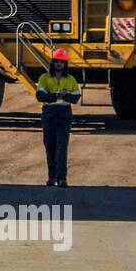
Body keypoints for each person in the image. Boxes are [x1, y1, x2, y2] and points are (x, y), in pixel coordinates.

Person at [36, 47, 81, 187]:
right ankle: (52, 177)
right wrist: (56, 95)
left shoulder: (71, 80)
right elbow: (40, 95)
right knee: (50, 147)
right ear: (52, 63)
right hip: (49, 113)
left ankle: (62, 179)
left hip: (64, 114)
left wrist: (65, 95)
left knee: (62, 147)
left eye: (62, 62)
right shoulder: (44, 78)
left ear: (65, 64)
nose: (59, 64)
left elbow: (76, 97)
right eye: (56, 61)